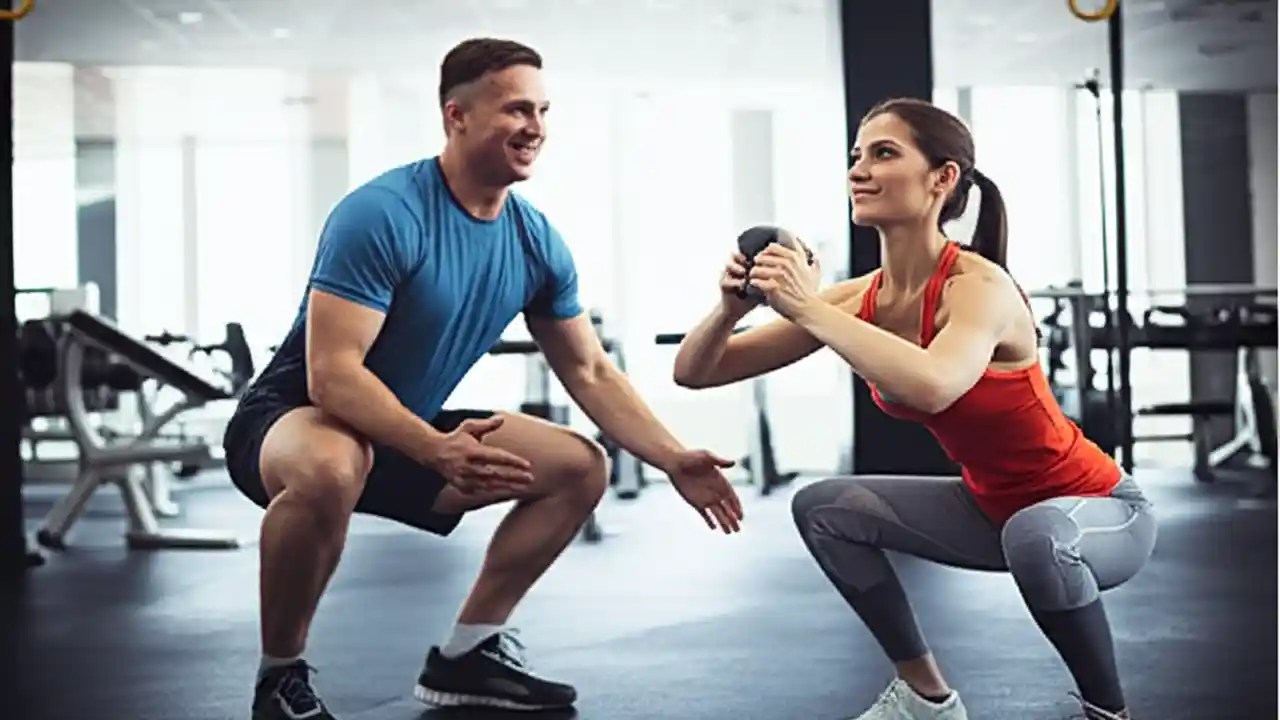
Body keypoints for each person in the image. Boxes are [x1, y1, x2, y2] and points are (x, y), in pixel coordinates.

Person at [222, 37, 745, 720]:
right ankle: (280, 678)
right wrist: (436, 449)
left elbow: (588, 369)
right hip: (289, 426)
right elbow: (332, 377)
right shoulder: (381, 213)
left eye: (543, 110)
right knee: (332, 461)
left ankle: (469, 653)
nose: (535, 127)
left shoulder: (534, 239)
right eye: (516, 109)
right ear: (456, 115)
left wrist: (673, 456)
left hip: (397, 434)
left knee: (578, 466)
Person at [672, 97, 1156, 720]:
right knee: (824, 509)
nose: (858, 170)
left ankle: (1109, 714)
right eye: (855, 156)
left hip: (1099, 513)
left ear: (942, 178)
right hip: (991, 510)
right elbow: (696, 371)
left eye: (883, 153)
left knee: (1036, 535)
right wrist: (731, 310)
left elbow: (934, 385)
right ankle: (927, 697)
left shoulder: (978, 287)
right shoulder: (859, 298)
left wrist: (807, 307)